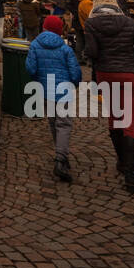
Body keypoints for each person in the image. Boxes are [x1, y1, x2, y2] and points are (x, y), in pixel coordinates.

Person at [83, 0, 134, 192]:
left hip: (106, 74)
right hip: (130, 74)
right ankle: (130, 175)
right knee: (131, 123)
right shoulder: (129, 22)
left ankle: (122, 161)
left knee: (115, 118)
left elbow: (92, 52)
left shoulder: (91, 24)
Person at [25, 15, 82, 183]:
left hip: (46, 89)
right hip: (63, 89)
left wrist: (38, 80)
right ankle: (60, 158)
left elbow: (30, 68)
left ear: (44, 27)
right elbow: (75, 72)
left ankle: (60, 153)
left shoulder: (35, 45)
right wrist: (74, 83)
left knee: (53, 121)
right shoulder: (65, 48)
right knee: (63, 123)